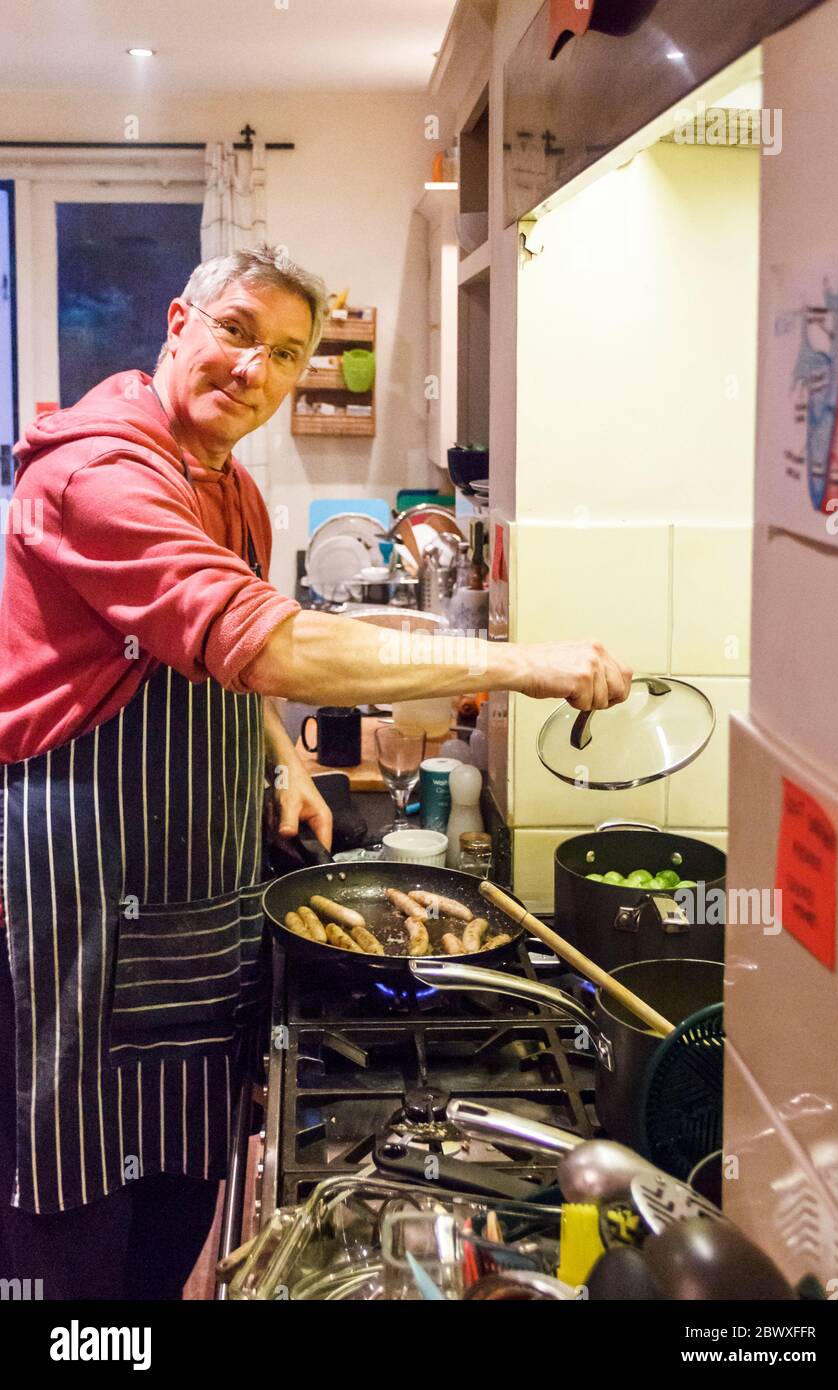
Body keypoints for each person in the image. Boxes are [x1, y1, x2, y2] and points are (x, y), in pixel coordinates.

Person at [0, 245, 632, 1299]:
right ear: (178, 322)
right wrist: (525, 665)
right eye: (237, 332)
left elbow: (225, 653)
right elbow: (274, 643)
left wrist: (283, 756)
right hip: (81, 891)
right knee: (72, 1223)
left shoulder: (227, 484)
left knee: (173, 1200)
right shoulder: (100, 475)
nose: (255, 367)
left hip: (191, 903)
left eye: (286, 352)